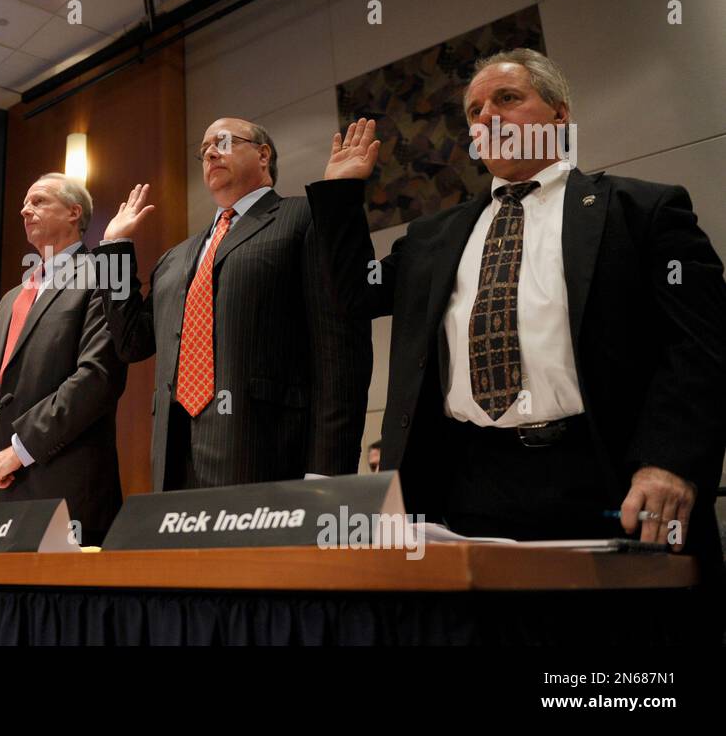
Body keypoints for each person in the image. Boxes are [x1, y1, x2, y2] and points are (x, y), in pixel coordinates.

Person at [308, 49, 726, 571]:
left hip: (605, 474)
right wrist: (342, 196)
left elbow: (702, 345)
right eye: (475, 111)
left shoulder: (642, 211)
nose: (487, 116)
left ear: (559, 115)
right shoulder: (433, 237)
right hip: (467, 484)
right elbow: (353, 296)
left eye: (507, 98)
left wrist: (669, 460)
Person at [94, 118, 371, 491]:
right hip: (174, 462)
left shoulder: (306, 218)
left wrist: (328, 472)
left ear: (262, 155)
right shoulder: (176, 257)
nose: (209, 152)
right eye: (203, 149)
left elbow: (340, 349)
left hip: (268, 456)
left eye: (222, 142)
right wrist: (114, 248)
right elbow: (131, 342)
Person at [0, 174, 128, 546]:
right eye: (24, 203)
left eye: (38, 201)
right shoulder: (12, 298)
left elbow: (97, 379)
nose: (24, 209)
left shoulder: (103, 275)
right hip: (3, 495)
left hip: (66, 492)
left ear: (73, 212)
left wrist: (20, 450)